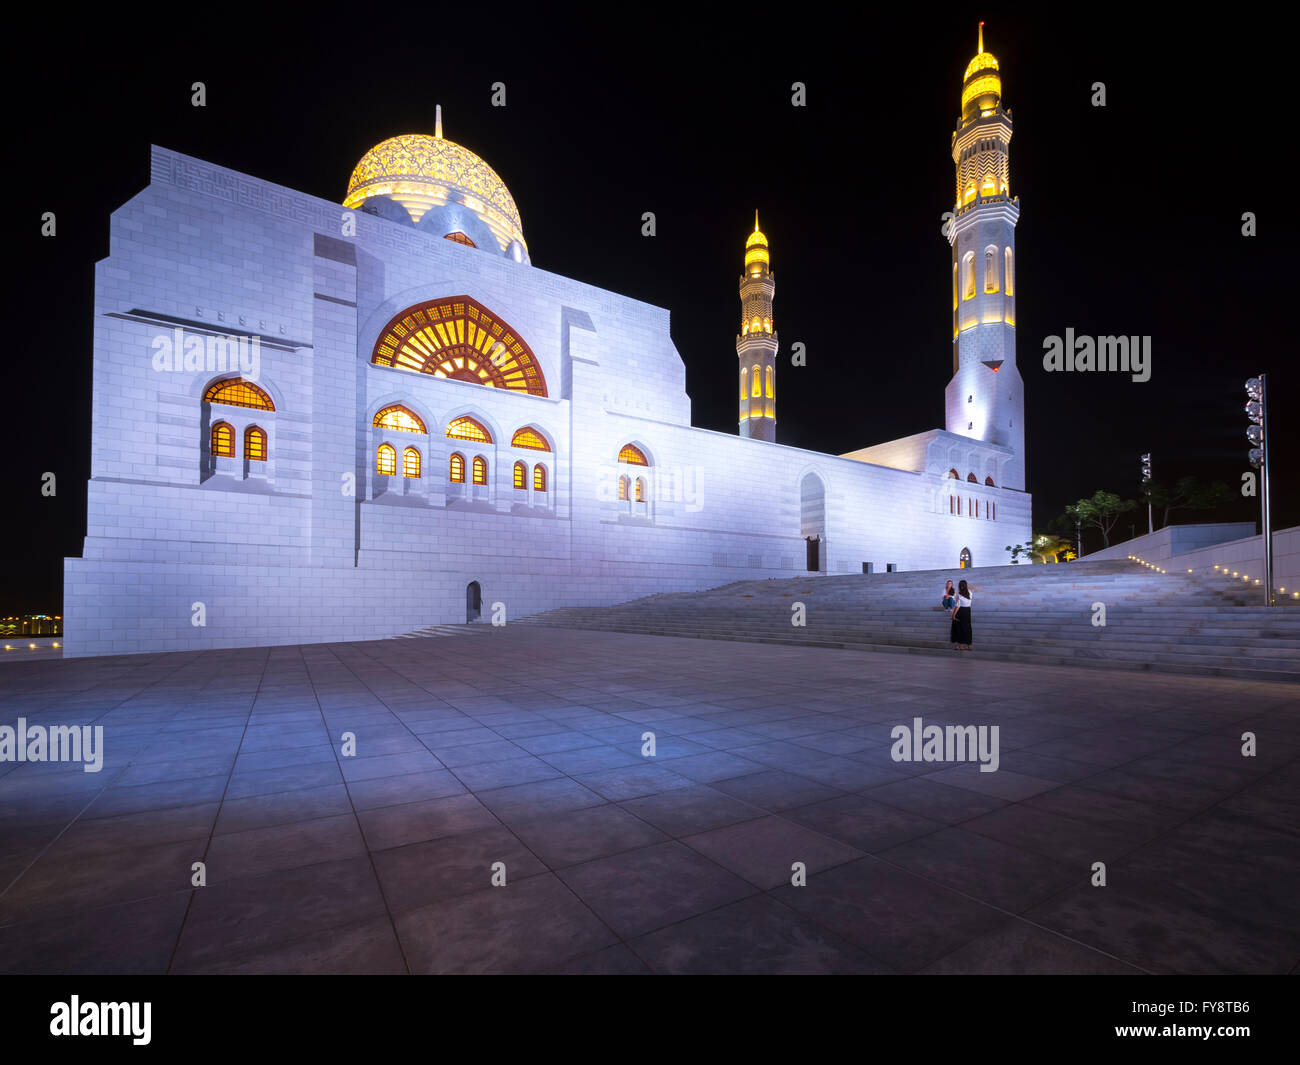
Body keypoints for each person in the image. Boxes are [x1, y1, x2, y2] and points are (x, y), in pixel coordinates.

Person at [950, 579, 973, 651]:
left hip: (960, 612)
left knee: (959, 628)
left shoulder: (959, 594)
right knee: (968, 628)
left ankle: (960, 646)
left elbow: (957, 606)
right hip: (968, 612)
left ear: (960, 586)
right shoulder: (970, 592)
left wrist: (953, 615)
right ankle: (969, 646)